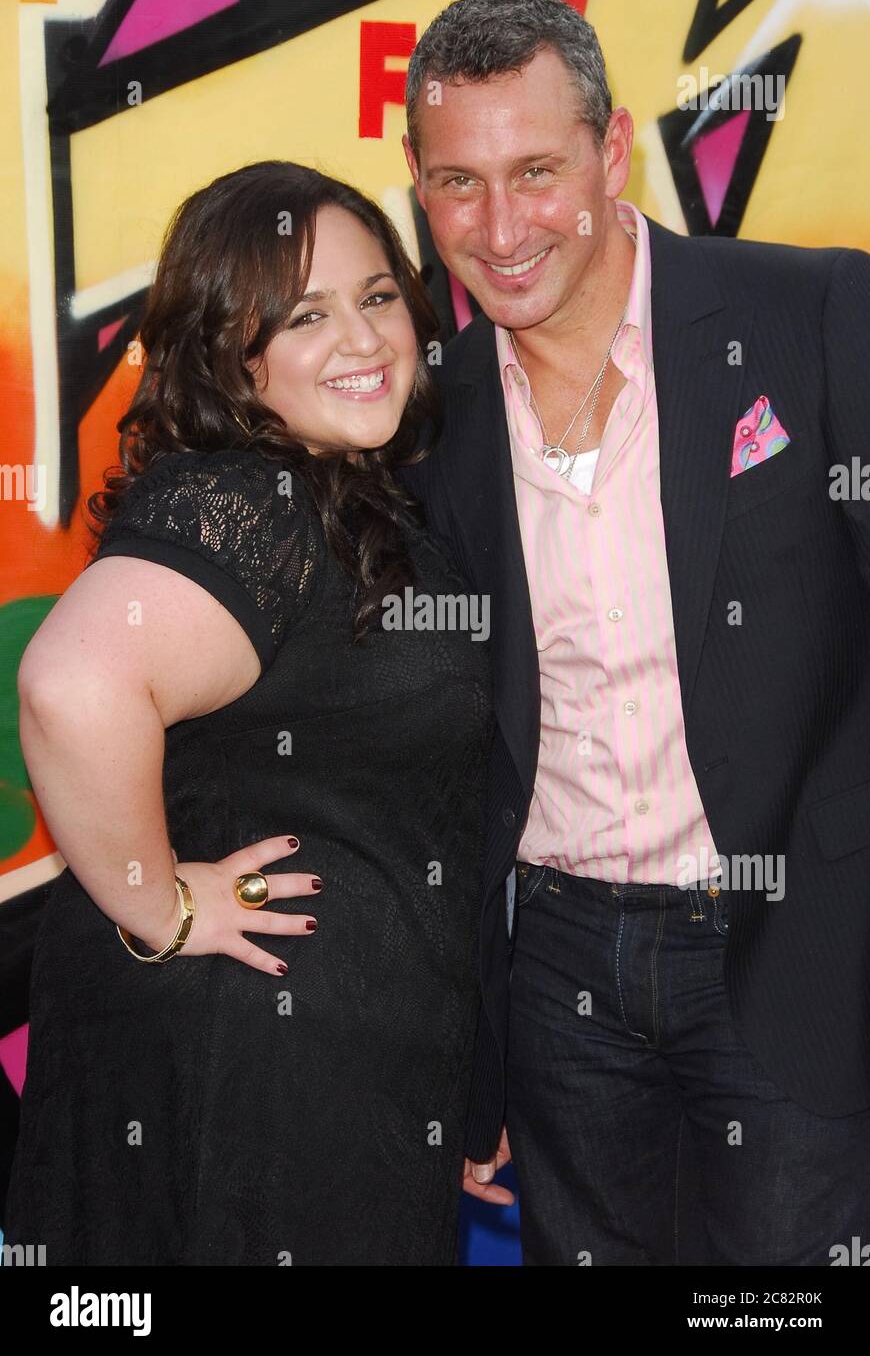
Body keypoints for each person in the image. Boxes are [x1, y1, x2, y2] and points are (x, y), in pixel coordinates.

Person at [397, 0, 870, 1264]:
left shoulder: (812, 316)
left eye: (537, 171)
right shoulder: (421, 418)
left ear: (610, 152)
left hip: (790, 944)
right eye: (458, 183)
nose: (500, 230)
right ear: (416, 182)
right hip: (557, 974)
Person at [3, 160, 495, 1266]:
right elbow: (71, 686)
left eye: (375, 297)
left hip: (324, 1088)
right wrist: (163, 905)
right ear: (233, 354)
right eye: (305, 315)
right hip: (241, 1100)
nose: (363, 340)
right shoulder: (247, 502)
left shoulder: (349, 493)